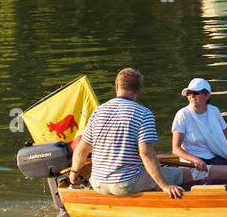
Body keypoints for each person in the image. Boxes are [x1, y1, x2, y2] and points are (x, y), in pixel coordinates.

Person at [68, 68, 205, 198]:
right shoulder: (143, 114)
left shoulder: (98, 112)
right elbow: (146, 154)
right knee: (186, 174)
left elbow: (82, 150)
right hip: (125, 184)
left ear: (116, 86)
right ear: (139, 91)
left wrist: (74, 172)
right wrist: (166, 186)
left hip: (97, 183)